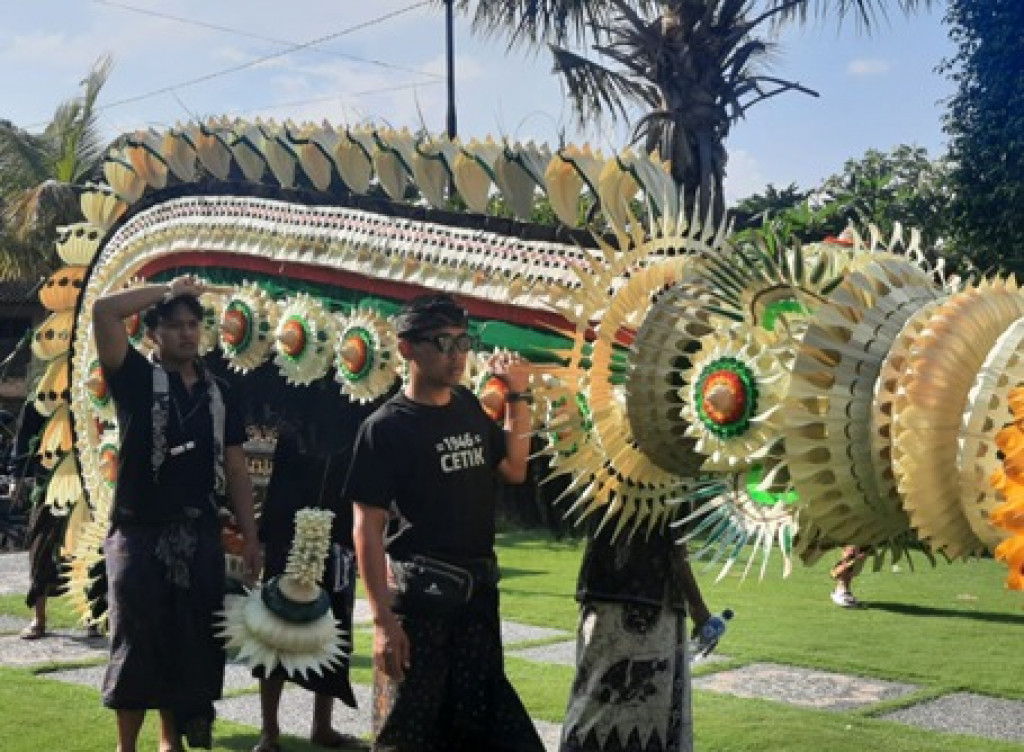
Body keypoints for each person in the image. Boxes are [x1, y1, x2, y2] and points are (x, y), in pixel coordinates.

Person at [346, 294, 544, 752]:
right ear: (407, 348)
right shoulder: (385, 428)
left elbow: (515, 468)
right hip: (421, 605)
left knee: (486, 731)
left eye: (462, 342)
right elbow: (366, 528)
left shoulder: (468, 406)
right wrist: (382, 622)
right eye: (442, 342)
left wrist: (518, 395)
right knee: (409, 735)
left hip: (477, 599)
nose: (456, 355)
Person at [92, 274, 261, 752]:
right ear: (153, 334)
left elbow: (236, 468)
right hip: (140, 530)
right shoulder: (132, 376)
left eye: (193, 324)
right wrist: (168, 289)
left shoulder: (220, 391)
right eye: (175, 325)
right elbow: (104, 310)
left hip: (199, 530)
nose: (187, 333)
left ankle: (172, 742)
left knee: (190, 640)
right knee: (136, 641)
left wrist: (251, 535)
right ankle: (127, 747)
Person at [252, 380, 371, 752]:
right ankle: (268, 731)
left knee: (334, 627)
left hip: (338, 526)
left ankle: (323, 726)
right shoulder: (293, 388)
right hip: (287, 525)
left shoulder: (360, 397)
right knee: (275, 627)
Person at [559, 525, 715, 752]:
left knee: (591, 701)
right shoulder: (667, 498)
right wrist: (698, 608)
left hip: (601, 598)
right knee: (647, 719)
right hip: (653, 609)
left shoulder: (601, 498)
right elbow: (676, 546)